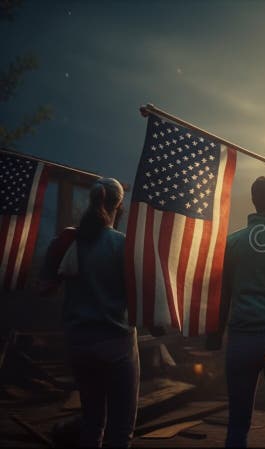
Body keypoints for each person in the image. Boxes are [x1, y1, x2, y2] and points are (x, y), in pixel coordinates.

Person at [205, 176, 265, 448]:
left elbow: (221, 293)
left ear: (253, 199)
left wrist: (215, 333)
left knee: (237, 423)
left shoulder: (232, 242)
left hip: (241, 338)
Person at [42, 178, 139, 448]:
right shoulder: (124, 246)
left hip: (79, 342)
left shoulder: (67, 240)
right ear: (119, 206)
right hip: (116, 344)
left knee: (92, 422)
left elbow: (45, 289)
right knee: (120, 430)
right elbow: (138, 297)